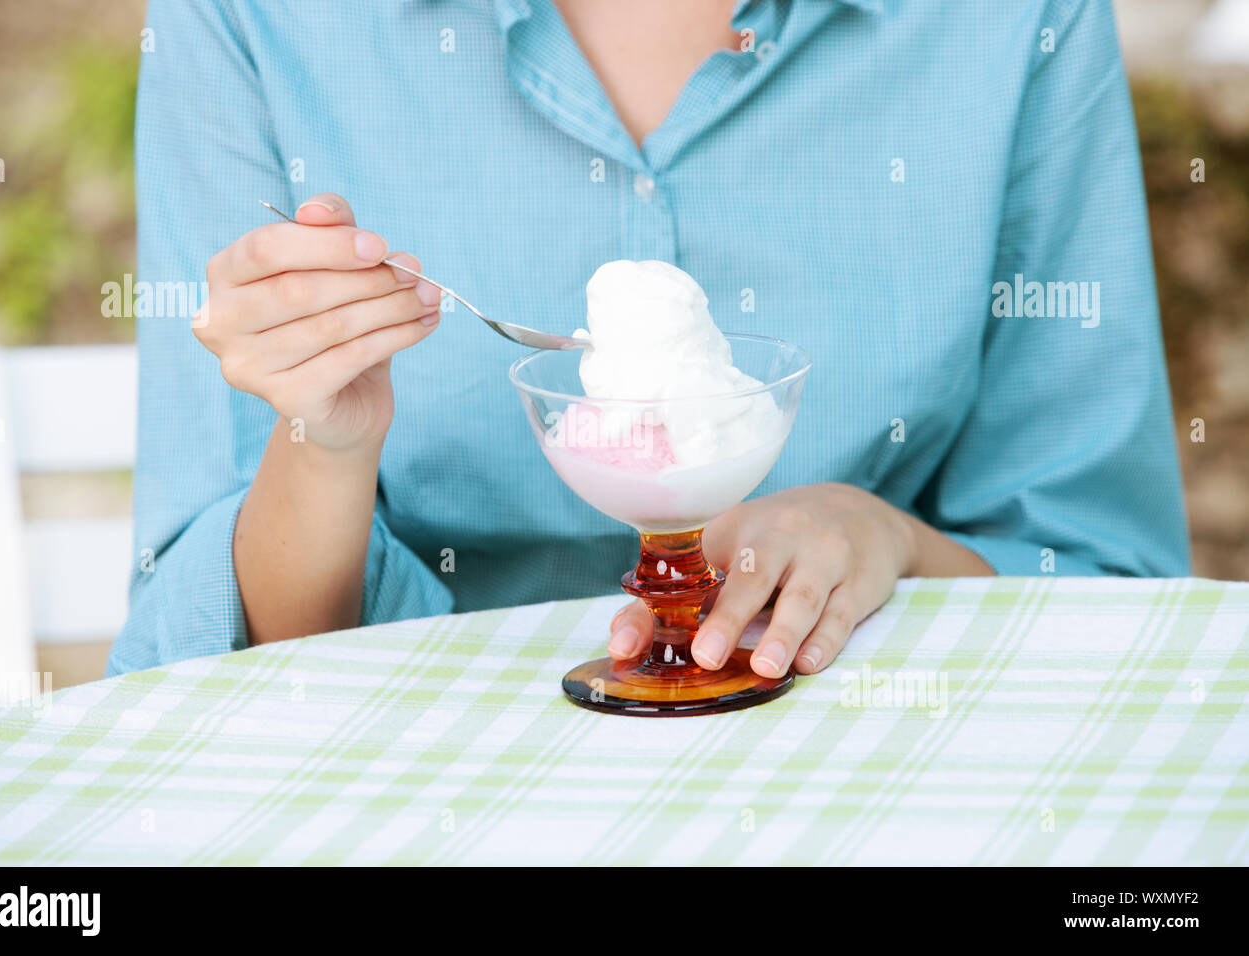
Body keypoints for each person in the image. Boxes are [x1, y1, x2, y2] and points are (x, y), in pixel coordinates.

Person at [110, 0, 1190, 678]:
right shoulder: (254, 17)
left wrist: (895, 544)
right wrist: (327, 449)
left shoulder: (1008, 22)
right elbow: (220, 661)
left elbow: (1101, 579)